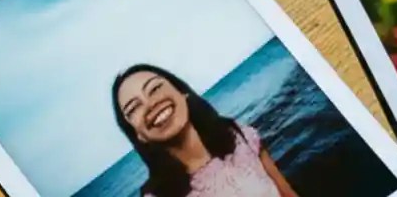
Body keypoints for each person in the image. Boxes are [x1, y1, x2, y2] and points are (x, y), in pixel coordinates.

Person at [112, 64, 299, 197]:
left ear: (181, 92)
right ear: (138, 134)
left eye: (155, 88)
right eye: (133, 108)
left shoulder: (238, 136)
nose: (151, 104)